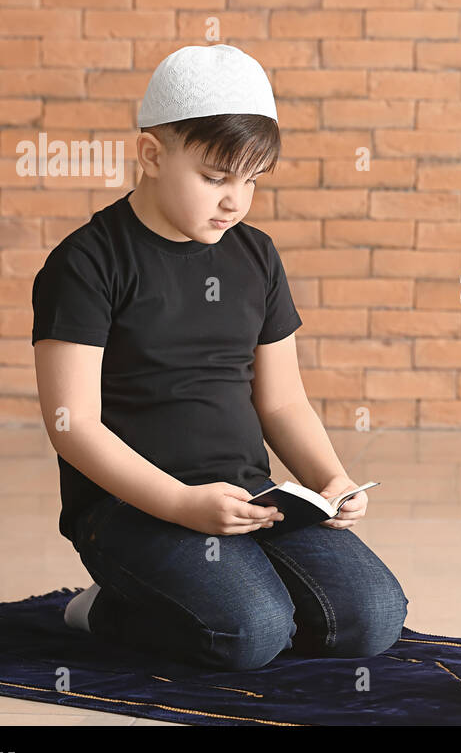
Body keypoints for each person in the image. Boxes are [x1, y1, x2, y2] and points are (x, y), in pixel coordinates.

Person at [31, 44, 408, 671]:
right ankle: (104, 607)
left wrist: (330, 480)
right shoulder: (87, 262)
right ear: (152, 155)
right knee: (250, 635)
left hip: (250, 498)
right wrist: (180, 504)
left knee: (372, 619)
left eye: (252, 180)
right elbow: (73, 427)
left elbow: (283, 400)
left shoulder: (255, 256)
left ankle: (218, 590)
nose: (236, 201)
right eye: (216, 178)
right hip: (130, 507)